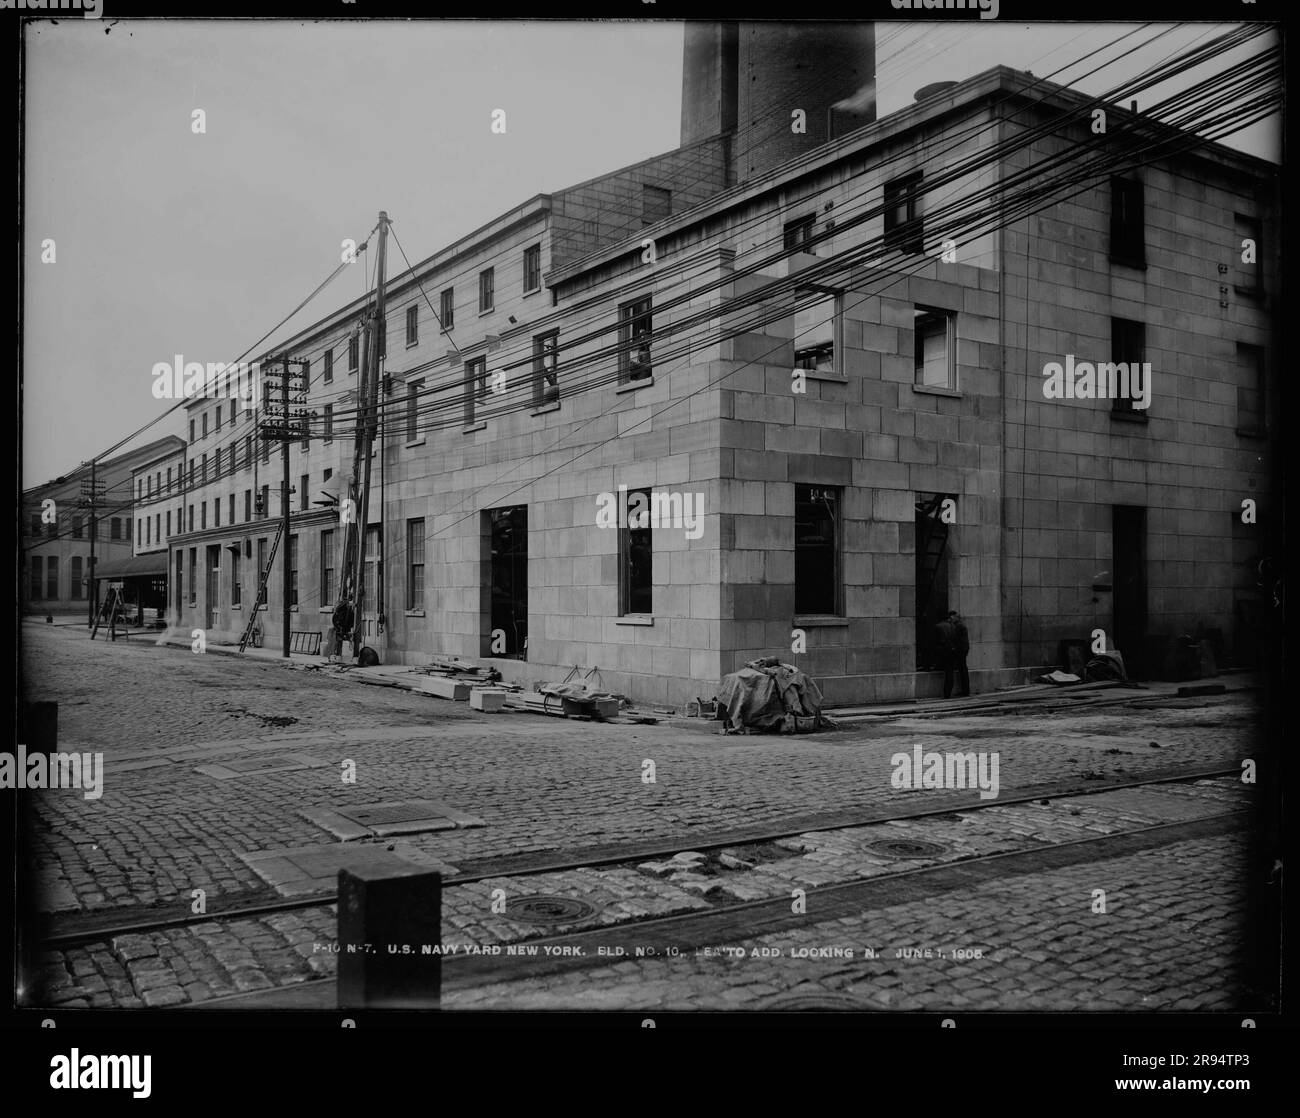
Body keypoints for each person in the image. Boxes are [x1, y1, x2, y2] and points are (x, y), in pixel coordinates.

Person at [933, 609, 971, 699]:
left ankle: (955, 692)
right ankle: (965, 690)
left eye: (952, 617)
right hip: (960, 650)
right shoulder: (957, 625)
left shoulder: (957, 626)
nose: (951, 619)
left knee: (957, 669)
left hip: (959, 650)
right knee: (962, 669)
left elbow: (955, 639)